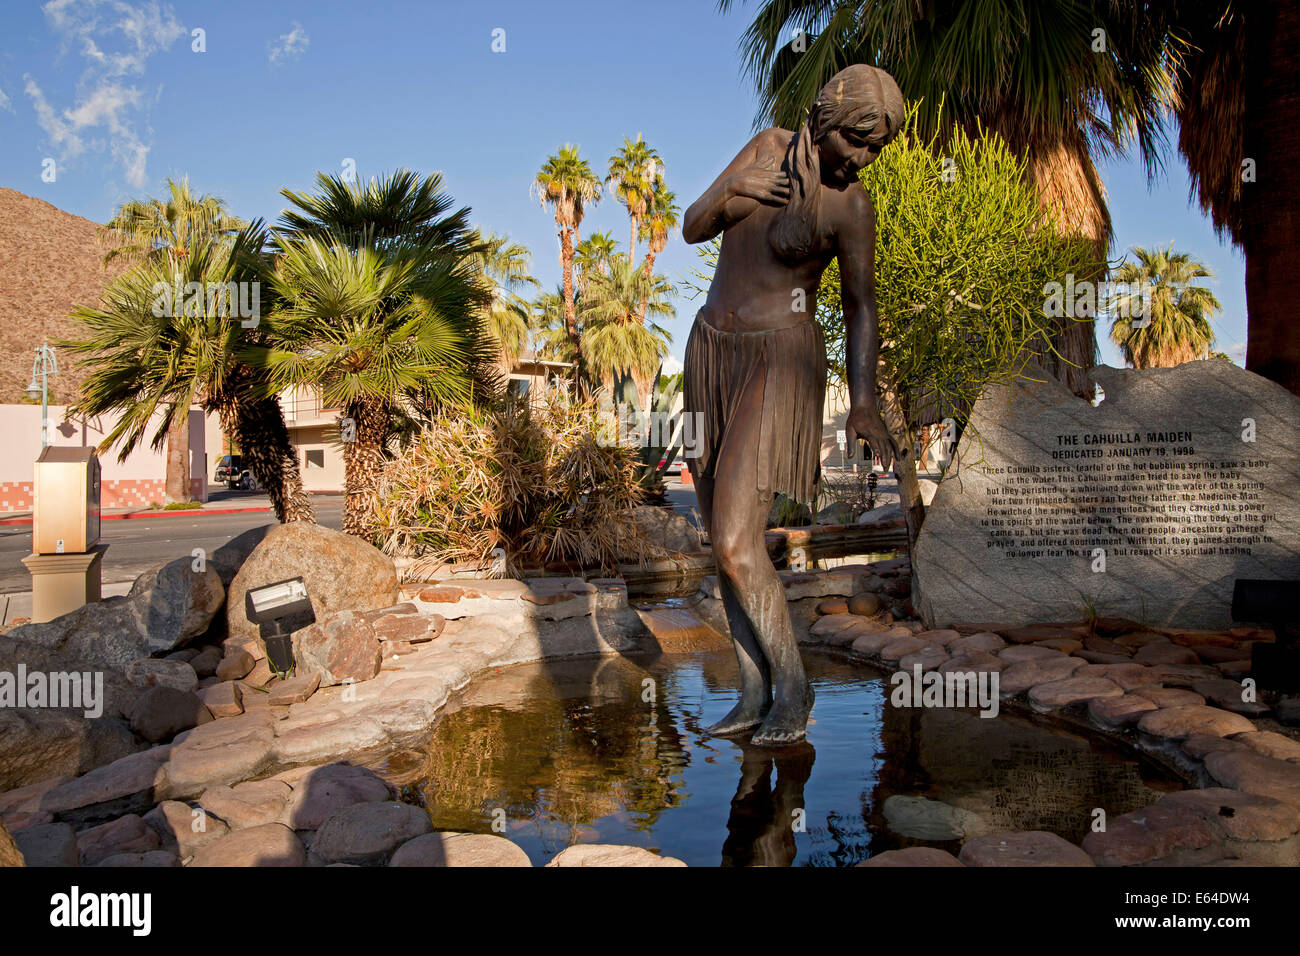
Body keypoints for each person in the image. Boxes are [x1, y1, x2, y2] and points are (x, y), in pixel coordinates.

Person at [681, 65, 904, 745]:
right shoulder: (762, 150)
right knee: (720, 546)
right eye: (856, 142)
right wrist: (733, 189)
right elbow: (693, 226)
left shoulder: (849, 206)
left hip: (783, 355)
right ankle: (752, 692)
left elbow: (860, 306)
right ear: (824, 120)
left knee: (736, 539)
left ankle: (795, 689)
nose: (862, 160)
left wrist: (863, 401)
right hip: (711, 348)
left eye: (875, 150)